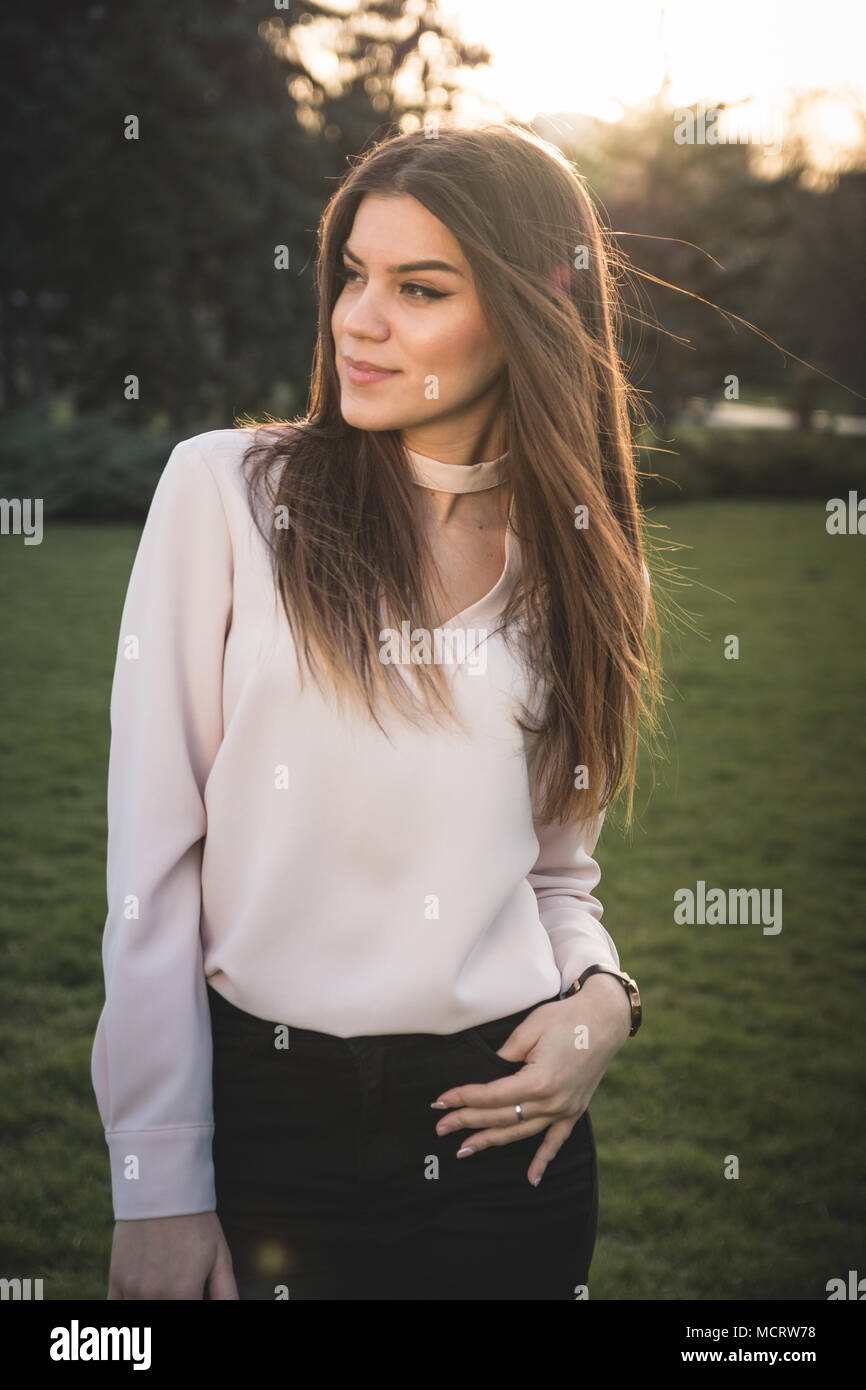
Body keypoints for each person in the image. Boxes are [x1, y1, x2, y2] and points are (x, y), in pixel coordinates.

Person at [92, 121, 658, 1301]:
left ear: (527, 308)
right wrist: (157, 1181)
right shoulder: (226, 495)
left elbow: (554, 878)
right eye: (352, 272)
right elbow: (151, 873)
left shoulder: (583, 565)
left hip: (507, 1134)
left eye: (418, 287)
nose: (357, 315)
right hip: (265, 1129)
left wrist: (603, 1001)